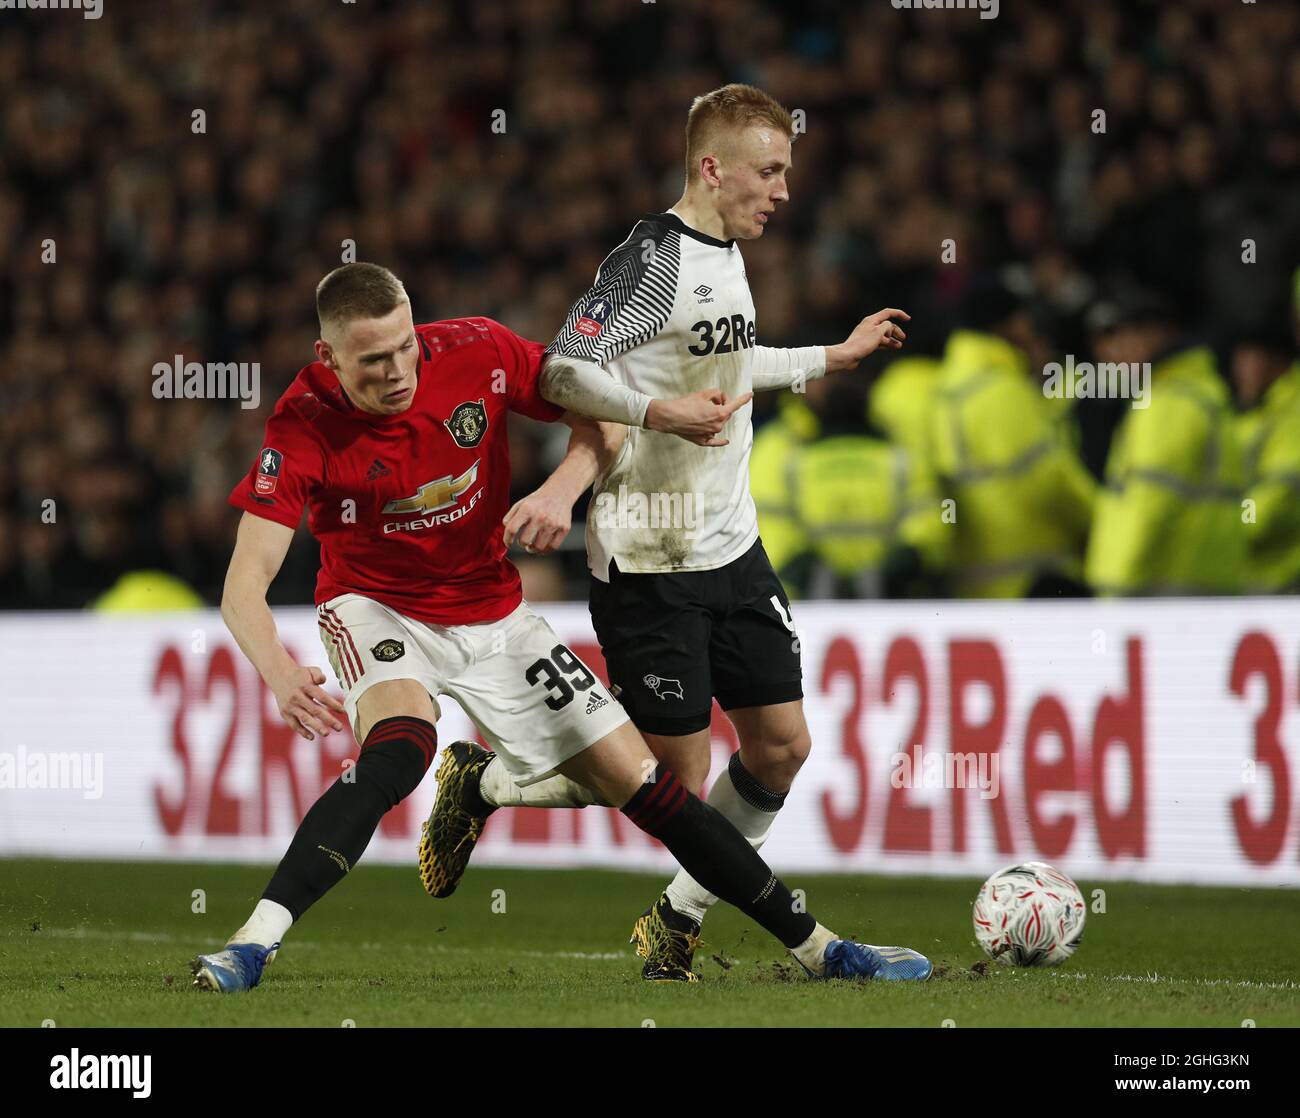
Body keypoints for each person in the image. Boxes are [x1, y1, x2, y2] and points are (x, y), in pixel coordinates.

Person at [191, 261, 932, 992]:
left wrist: (558, 491)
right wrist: (282, 675)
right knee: (399, 750)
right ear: (328, 356)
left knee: (654, 786)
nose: (396, 371)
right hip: (376, 605)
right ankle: (252, 945)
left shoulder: (476, 351)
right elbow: (243, 586)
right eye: (372, 360)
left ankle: (821, 951)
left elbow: (602, 413)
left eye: (404, 345)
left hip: (496, 613)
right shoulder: (303, 424)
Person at [418, 84, 913, 983]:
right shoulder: (653, 258)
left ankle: (676, 921)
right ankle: (482, 782)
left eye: (787, 172)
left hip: (730, 543)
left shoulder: (726, 253)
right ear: (711, 167)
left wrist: (827, 358)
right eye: (769, 171)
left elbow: (723, 360)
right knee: (667, 782)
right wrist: (656, 413)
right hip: (648, 555)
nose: (783, 190)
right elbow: (567, 367)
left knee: (782, 747)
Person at [1084, 293, 1244, 595]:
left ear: (1156, 335)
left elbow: (1150, 504)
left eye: (1122, 337)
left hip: (1160, 595)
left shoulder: (1168, 403)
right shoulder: (1198, 390)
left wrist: (1113, 593)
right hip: (1196, 588)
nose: (1112, 354)